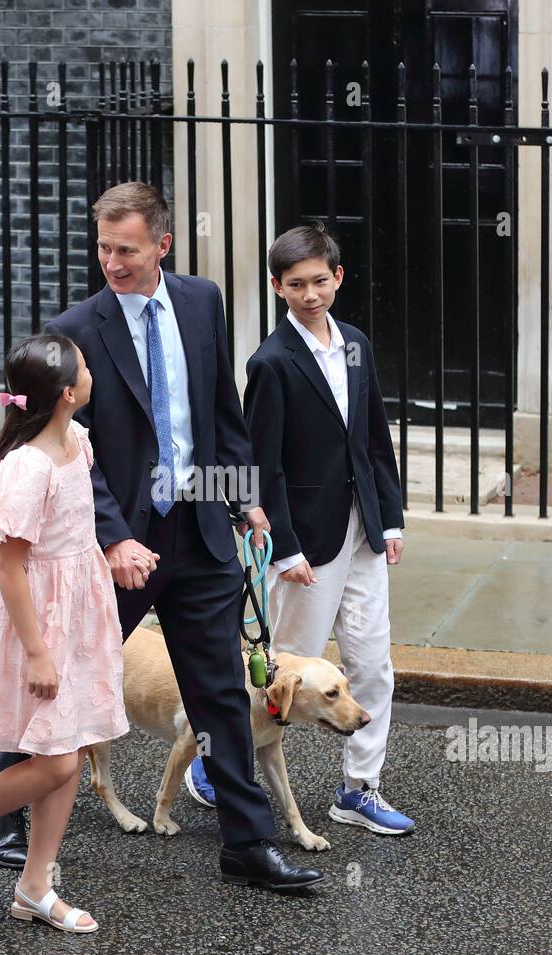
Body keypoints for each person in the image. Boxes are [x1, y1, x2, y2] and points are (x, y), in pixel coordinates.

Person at [0, 182, 322, 892]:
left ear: (163, 244)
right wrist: (110, 536)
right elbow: (68, 442)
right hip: (118, 543)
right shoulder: (76, 325)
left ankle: (246, 843)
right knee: (65, 671)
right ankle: (3, 815)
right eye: (104, 247)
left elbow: (220, 413)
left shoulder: (201, 302)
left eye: (127, 249)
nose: (112, 261)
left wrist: (241, 496)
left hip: (198, 531)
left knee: (222, 688)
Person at [185, 224, 413, 835]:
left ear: (338, 277)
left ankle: (359, 789)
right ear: (276, 287)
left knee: (372, 668)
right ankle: (217, 764)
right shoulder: (271, 362)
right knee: (277, 678)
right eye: (295, 285)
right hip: (305, 545)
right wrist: (282, 547)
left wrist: (389, 517)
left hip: (362, 531)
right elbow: (264, 463)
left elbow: (373, 438)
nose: (310, 294)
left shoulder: (357, 343)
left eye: (319, 281)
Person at [0, 333, 127, 933]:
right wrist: (37, 652)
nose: (92, 370)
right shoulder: (27, 468)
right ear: (67, 393)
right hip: (40, 617)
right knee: (58, 762)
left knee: (71, 742)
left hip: (80, 607)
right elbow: (8, 568)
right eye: (85, 367)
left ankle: (36, 886)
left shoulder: (75, 440)